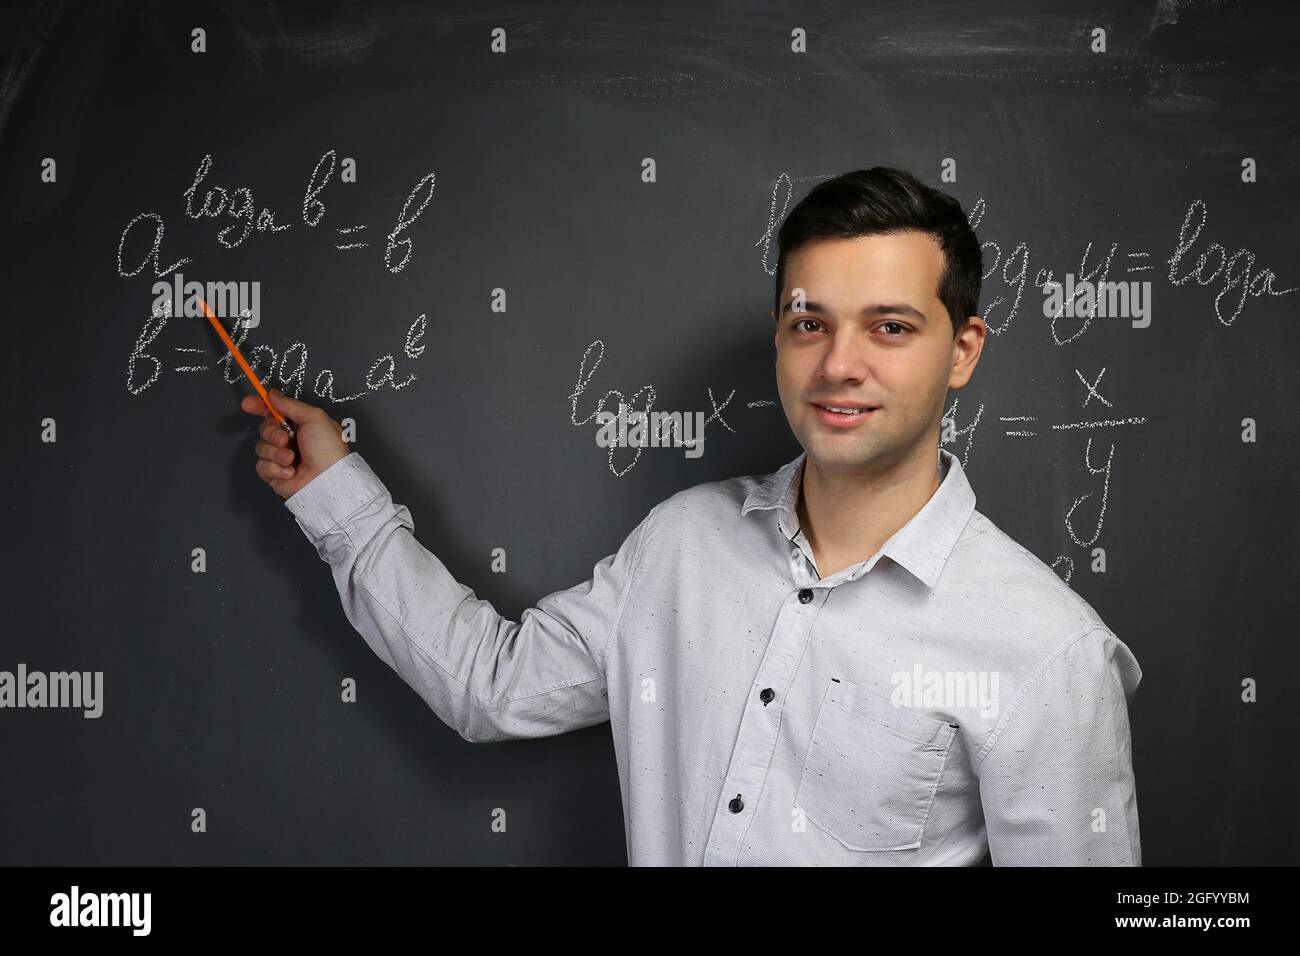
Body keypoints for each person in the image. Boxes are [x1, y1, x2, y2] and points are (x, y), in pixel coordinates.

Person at [242, 167, 1141, 866]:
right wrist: (337, 497)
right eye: (808, 323)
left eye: (891, 328)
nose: (839, 365)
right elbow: (494, 686)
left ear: (963, 351)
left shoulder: (1046, 651)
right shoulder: (682, 545)